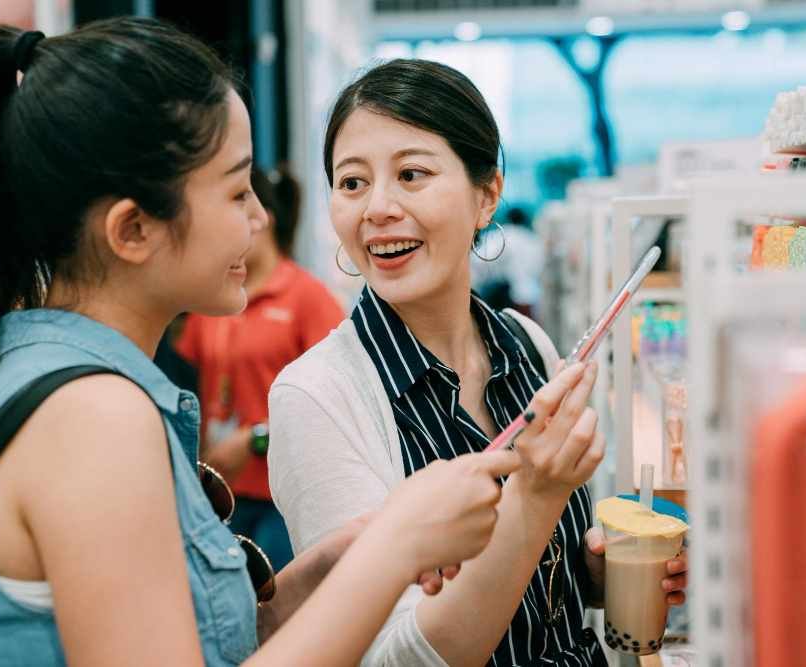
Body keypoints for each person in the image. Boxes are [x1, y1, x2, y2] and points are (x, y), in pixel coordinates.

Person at [0, 22, 523, 666]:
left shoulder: (91, 388)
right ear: (133, 229)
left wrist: (359, 550)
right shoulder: (95, 417)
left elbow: (205, 642)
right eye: (235, 189)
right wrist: (397, 551)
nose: (259, 218)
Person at [268, 59, 688, 667]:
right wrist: (537, 497)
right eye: (352, 182)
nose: (377, 208)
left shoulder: (527, 345)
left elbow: (541, 588)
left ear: (487, 194)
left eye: (411, 174)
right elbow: (389, 657)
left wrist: (595, 572)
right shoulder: (317, 396)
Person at [176, 166, 344, 572]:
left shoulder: (307, 298)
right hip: (219, 493)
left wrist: (255, 439)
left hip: (281, 498)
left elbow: (333, 404)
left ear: (261, 219)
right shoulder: (217, 295)